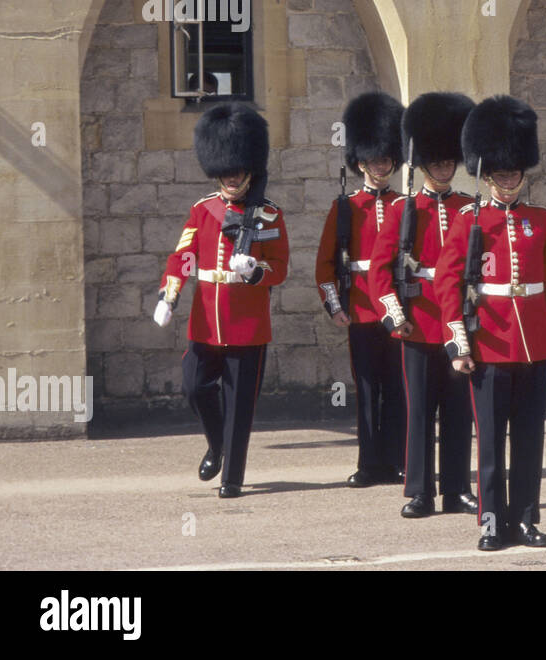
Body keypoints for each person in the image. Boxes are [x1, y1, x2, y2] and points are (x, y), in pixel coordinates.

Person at [434, 96, 546, 551]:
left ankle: (526, 518)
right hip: (488, 342)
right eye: (501, 175)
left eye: (515, 174)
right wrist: (458, 343)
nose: (509, 183)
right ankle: (492, 521)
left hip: (533, 345)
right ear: (486, 174)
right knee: (490, 443)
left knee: (529, 440)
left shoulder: (542, 221)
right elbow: (446, 285)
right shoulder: (468, 220)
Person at [153, 102, 289, 498]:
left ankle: (233, 477)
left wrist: (255, 271)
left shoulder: (269, 215)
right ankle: (216, 445)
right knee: (194, 388)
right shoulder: (203, 210)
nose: (232, 176)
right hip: (204, 322)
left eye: (238, 169)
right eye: (226, 171)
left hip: (247, 325)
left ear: (249, 169)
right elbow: (183, 256)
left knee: (240, 405)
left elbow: (280, 267)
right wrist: (170, 294)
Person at [370, 92, 478, 519]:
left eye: (449, 161)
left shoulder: (470, 208)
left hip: (458, 325)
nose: (444, 168)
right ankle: (419, 490)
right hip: (416, 322)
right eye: (436, 162)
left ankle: (455, 489)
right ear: (424, 164)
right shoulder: (403, 210)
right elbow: (379, 271)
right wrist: (395, 315)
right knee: (418, 411)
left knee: (458, 410)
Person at [315, 92, 406, 488]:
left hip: (400, 310)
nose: (380, 166)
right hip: (361, 310)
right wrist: (336, 306)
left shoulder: (407, 204)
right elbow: (325, 265)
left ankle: (400, 459)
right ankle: (370, 462)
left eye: (385, 159)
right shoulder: (345, 207)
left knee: (400, 389)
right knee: (367, 391)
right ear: (360, 163)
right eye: (372, 160)